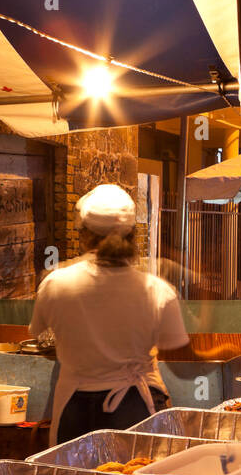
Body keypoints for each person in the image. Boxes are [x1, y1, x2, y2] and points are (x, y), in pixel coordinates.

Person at [31, 184, 218, 445]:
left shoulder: (55, 283)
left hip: (74, 413)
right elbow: (184, 369)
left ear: (84, 235)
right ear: (133, 234)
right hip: (135, 409)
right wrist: (219, 346)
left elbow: (40, 342)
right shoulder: (156, 291)